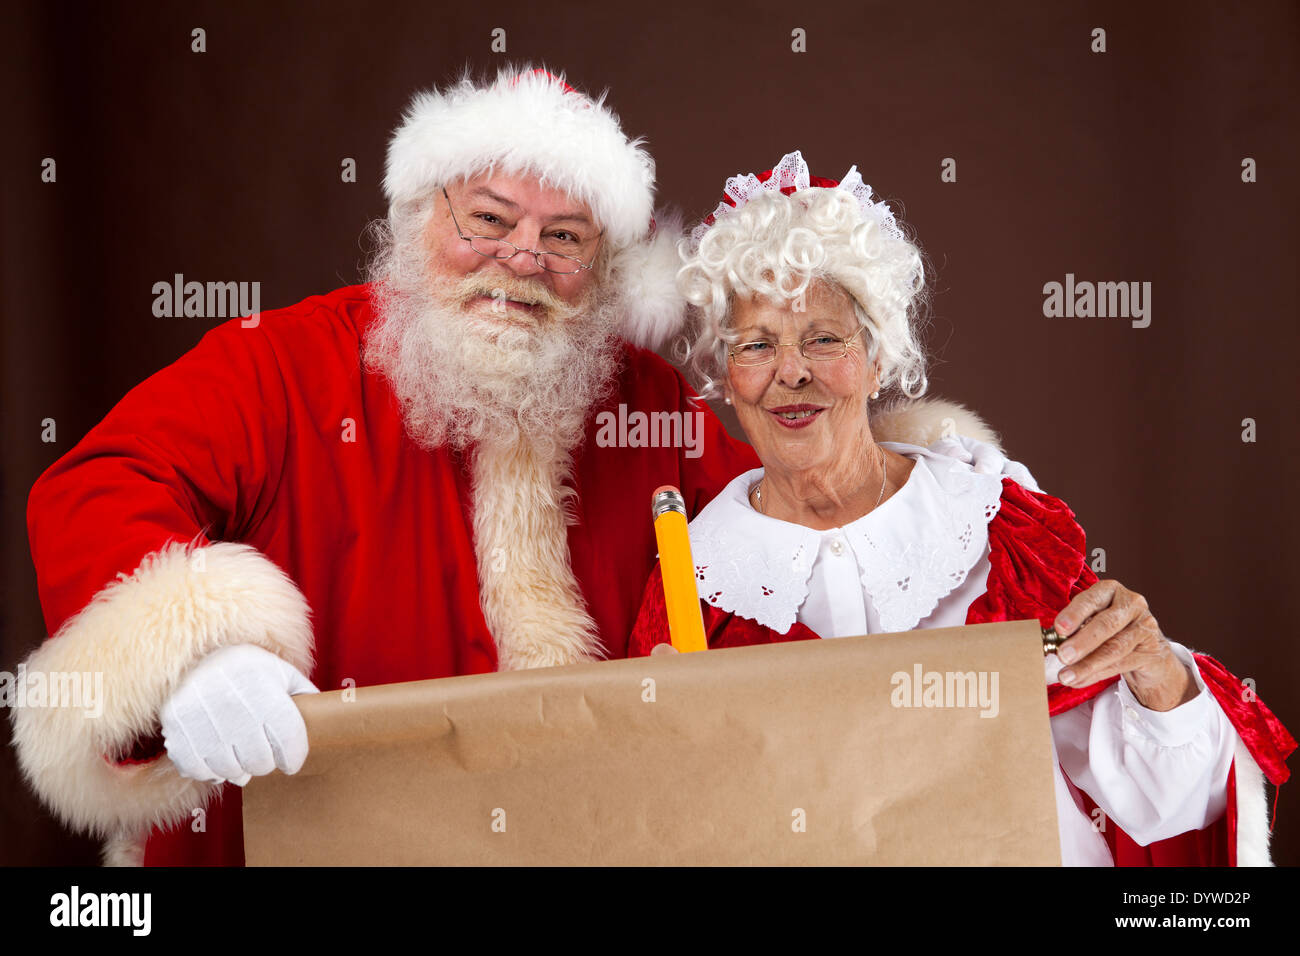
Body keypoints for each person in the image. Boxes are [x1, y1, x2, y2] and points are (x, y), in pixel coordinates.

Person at [12, 70, 1023, 867]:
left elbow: (805, 518)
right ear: (420, 222)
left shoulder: (651, 404)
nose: (521, 260)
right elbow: (103, 481)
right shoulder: (276, 363)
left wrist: (955, 504)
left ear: (603, 268)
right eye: (487, 221)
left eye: (564, 238)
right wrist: (194, 652)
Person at [629, 150, 1296, 865]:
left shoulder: (995, 529)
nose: (791, 372)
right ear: (728, 376)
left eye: (825, 338)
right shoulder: (694, 590)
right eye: (757, 345)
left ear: (877, 357)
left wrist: (1154, 670)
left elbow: (1166, 802)